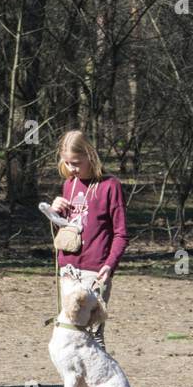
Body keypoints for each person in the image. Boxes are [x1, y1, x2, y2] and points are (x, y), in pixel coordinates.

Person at [49, 130, 128, 349]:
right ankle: (76, 384)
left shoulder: (110, 186)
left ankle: (103, 383)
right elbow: (66, 229)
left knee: (92, 334)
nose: (72, 168)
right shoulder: (69, 184)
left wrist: (110, 265)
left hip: (95, 271)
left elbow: (121, 233)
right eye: (67, 163)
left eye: (76, 163)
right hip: (68, 269)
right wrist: (55, 212)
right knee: (70, 333)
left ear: (89, 156)